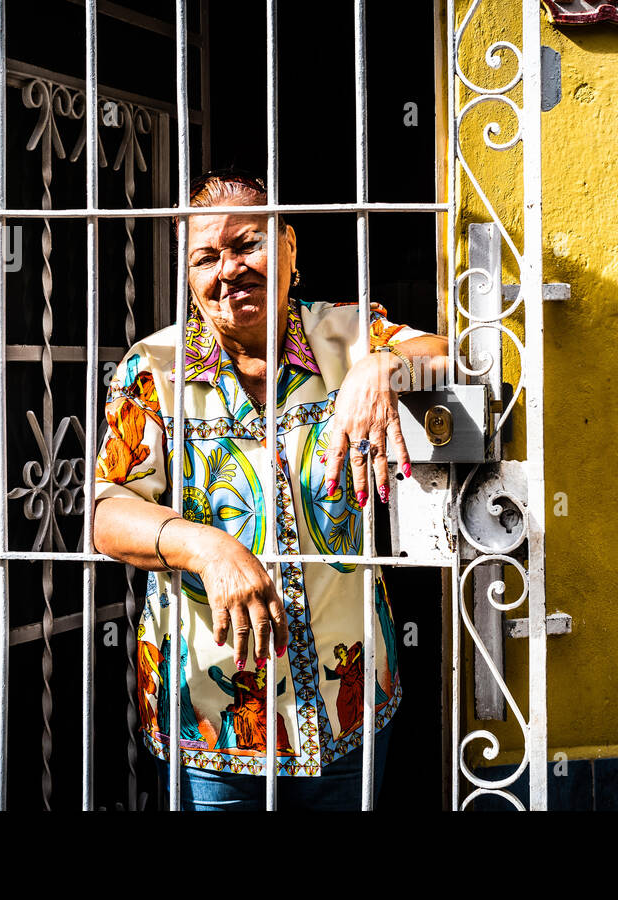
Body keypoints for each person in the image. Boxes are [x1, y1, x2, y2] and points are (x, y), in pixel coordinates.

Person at [92, 169, 449, 810]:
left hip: (349, 709)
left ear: (288, 248)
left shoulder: (344, 335)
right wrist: (204, 547)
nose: (229, 270)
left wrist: (384, 366)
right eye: (206, 257)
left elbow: (457, 356)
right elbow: (108, 512)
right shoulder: (154, 368)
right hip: (208, 719)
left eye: (248, 245)